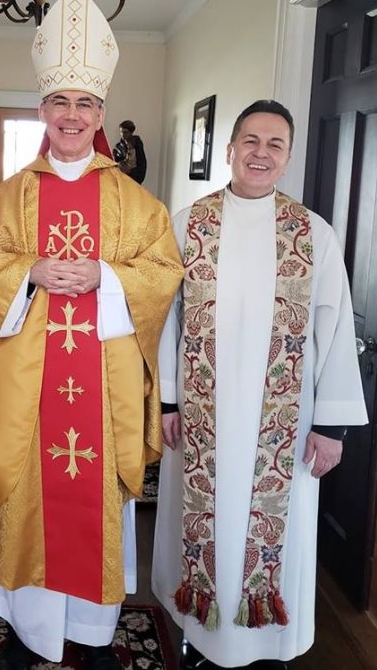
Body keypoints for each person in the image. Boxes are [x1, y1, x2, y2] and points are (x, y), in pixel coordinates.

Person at [0, 0, 184, 669]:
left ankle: (88, 635)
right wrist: (28, 272)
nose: (72, 115)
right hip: (28, 389)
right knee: (25, 491)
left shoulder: (137, 202)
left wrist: (106, 278)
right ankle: (29, 631)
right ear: (42, 109)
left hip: (102, 389)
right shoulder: (3, 198)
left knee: (93, 508)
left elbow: (164, 269)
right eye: (60, 102)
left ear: (101, 114)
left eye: (85, 103)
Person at [151, 100, 368, 670]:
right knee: (202, 532)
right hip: (201, 418)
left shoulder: (311, 234)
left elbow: (336, 326)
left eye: (274, 144)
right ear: (230, 149)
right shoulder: (188, 223)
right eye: (250, 140)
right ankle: (199, 635)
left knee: (275, 533)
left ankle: (265, 641)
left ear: (288, 156)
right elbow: (166, 318)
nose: (261, 153)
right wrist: (168, 401)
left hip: (285, 425)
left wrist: (330, 426)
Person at [113, 119, 147, 184]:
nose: (123, 135)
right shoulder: (118, 147)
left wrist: (131, 171)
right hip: (122, 180)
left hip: (133, 179)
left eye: (125, 132)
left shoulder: (137, 146)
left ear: (131, 132)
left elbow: (142, 165)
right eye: (121, 132)